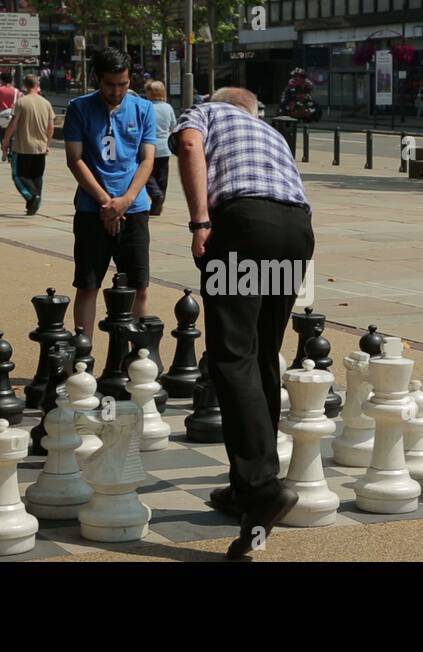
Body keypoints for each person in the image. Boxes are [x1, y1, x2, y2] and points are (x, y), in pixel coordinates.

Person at [170, 87, 314, 559]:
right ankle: (247, 491)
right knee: (261, 357)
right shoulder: (271, 130)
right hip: (296, 232)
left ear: (219, 101)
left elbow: (189, 145)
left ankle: (261, 487)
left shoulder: (206, 110)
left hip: (245, 223)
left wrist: (199, 222)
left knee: (232, 357)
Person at [64, 47, 156, 337]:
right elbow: (74, 159)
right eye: (110, 84)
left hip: (134, 208)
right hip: (93, 210)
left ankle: (138, 356)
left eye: (123, 84)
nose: (117, 91)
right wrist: (106, 202)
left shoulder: (144, 109)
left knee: (138, 288)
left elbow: (147, 159)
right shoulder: (79, 108)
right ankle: (83, 355)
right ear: (97, 79)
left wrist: (126, 201)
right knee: (88, 286)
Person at [2, 74, 55, 215]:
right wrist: (47, 143)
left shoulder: (21, 102)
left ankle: (32, 197)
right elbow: (51, 127)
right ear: (38, 85)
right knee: (37, 177)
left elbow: (13, 124)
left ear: (25, 86)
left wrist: (6, 140)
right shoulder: (46, 103)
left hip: (23, 148)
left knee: (18, 176)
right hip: (40, 148)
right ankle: (32, 205)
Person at [145, 81, 177, 216]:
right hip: (164, 147)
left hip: (149, 146)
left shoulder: (146, 106)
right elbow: (173, 125)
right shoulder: (168, 107)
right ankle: (158, 203)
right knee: (162, 177)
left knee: (146, 175)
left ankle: (156, 195)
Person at [0, 71, 21, 148]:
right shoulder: (16, 91)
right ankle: (12, 150)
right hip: (13, 114)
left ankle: (4, 150)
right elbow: (19, 103)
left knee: (2, 133)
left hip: (3, 115)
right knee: (12, 133)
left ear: (2, 79)